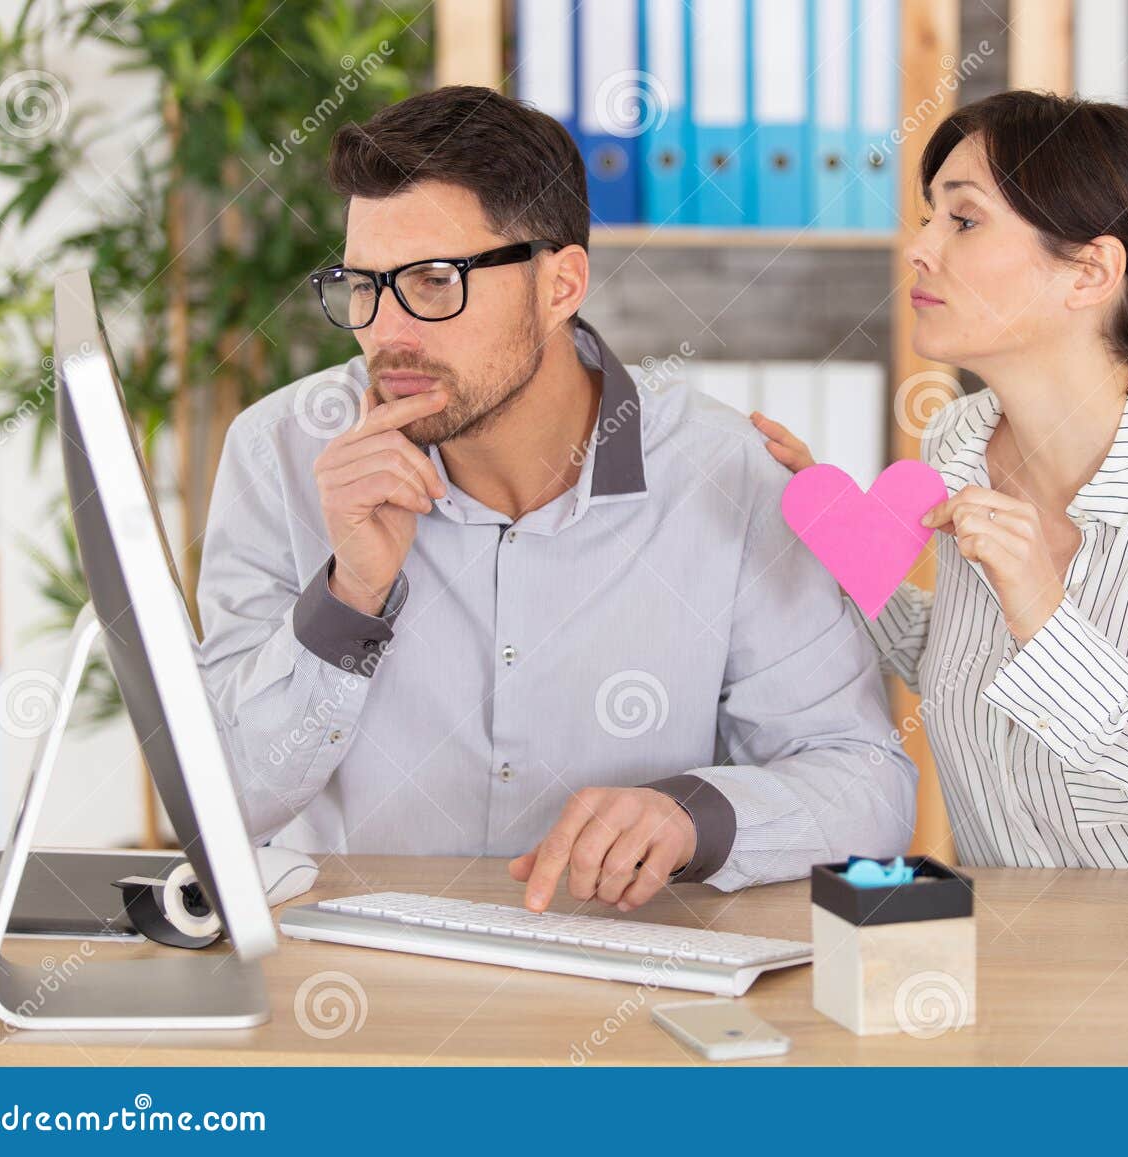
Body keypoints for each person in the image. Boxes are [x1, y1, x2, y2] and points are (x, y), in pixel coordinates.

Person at [195, 86, 915, 912]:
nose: (387, 331)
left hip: (626, 983)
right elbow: (225, 801)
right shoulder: (279, 451)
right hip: (357, 989)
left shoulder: (728, 475)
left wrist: (696, 817)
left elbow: (868, 786)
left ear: (560, 282)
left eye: (433, 281)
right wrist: (348, 596)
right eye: (364, 285)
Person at [755, 91, 1128, 887]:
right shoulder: (956, 440)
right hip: (1003, 965)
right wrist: (834, 549)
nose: (919, 249)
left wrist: (1047, 619)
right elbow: (954, 656)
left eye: (962, 220)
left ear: (1088, 271)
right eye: (929, 217)